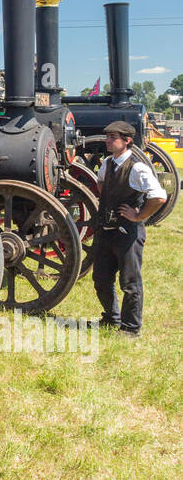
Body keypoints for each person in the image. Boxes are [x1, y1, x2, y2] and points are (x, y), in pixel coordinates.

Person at [92, 121, 166, 337]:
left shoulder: (137, 168)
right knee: (101, 279)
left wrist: (139, 215)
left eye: (113, 137)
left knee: (130, 282)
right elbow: (101, 184)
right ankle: (111, 318)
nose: (108, 140)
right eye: (107, 136)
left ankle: (131, 328)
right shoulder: (107, 163)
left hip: (127, 233)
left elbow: (159, 197)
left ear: (127, 140)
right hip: (105, 230)